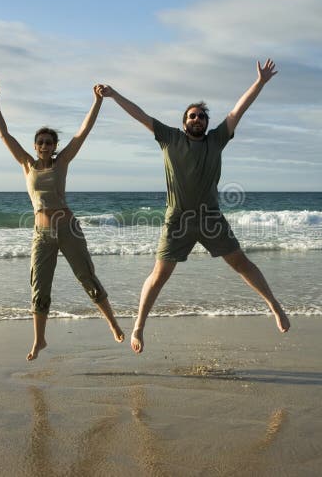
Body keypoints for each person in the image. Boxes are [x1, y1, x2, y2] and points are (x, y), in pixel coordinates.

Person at [99, 59, 291, 354]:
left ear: (206, 122)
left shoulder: (217, 140)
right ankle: (138, 326)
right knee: (159, 275)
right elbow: (141, 115)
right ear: (184, 121)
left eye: (201, 116)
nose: (197, 119)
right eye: (192, 116)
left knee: (242, 264)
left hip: (211, 219)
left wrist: (260, 83)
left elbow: (236, 111)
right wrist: (114, 95)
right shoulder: (169, 138)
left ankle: (274, 306)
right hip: (177, 221)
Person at [0, 79, 124, 360]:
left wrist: (97, 101)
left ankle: (112, 323)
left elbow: (83, 132)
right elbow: (4, 136)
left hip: (68, 229)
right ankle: (40, 340)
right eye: (41, 143)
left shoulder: (62, 162)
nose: (45, 146)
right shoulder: (27, 165)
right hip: (42, 234)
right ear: (35, 146)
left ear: (55, 145)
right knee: (39, 287)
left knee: (86, 276)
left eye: (49, 142)